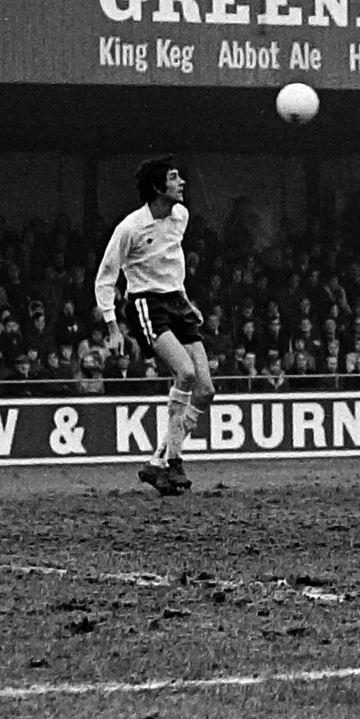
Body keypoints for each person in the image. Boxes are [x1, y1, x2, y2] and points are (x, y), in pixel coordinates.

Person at [95, 156, 213, 498]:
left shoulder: (181, 216)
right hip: (147, 304)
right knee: (185, 373)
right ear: (158, 187)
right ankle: (174, 460)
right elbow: (105, 278)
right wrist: (113, 327)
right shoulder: (130, 228)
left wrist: (186, 301)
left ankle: (157, 463)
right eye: (174, 178)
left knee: (206, 390)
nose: (182, 183)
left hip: (177, 302)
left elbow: (172, 262)